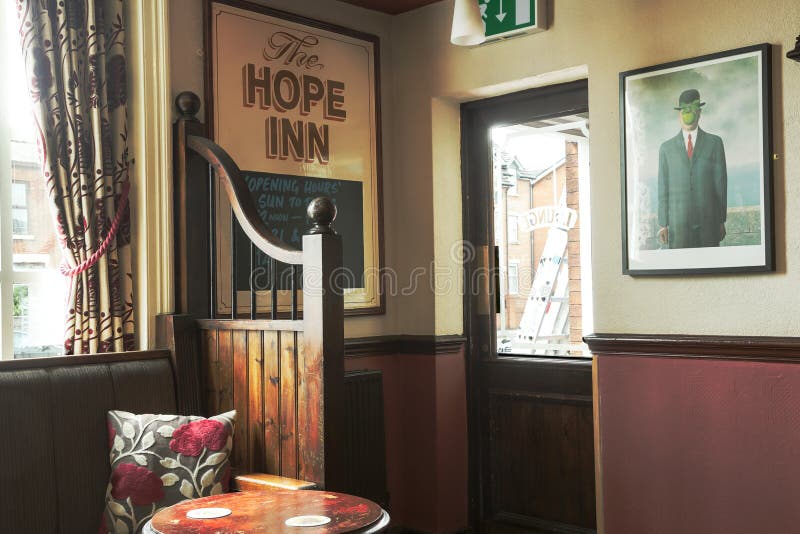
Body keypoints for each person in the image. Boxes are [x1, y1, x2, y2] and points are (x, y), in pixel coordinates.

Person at [657, 89, 727, 249]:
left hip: (709, 226)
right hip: (678, 228)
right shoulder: (666, 149)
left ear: (700, 112)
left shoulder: (715, 143)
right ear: (679, 113)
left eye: (693, 108)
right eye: (684, 109)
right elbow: (663, 188)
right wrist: (663, 224)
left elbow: (720, 186)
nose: (688, 113)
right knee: (680, 272)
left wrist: (721, 220)